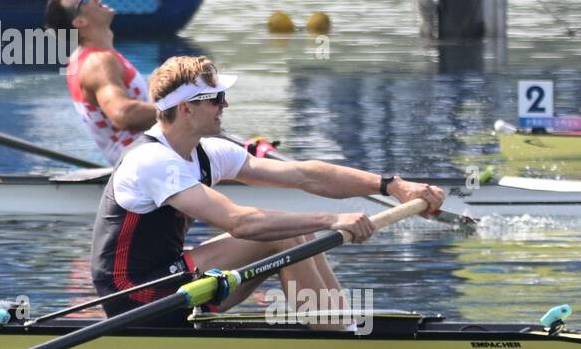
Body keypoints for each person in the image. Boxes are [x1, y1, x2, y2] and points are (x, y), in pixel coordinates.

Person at [90, 55, 445, 327]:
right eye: (216, 98)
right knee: (278, 237)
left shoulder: (208, 151)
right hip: (134, 297)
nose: (225, 105)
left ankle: (340, 323)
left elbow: (306, 176)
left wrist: (391, 185)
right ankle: (339, 337)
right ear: (186, 108)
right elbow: (239, 223)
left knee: (297, 231)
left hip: (173, 279)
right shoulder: (152, 160)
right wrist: (334, 219)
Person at [45, 0, 158, 165]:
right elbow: (123, 113)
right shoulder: (98, 62)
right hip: (145, 162)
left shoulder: (82, 58)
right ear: (80, 21)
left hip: (143, 157)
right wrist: (183, 109)